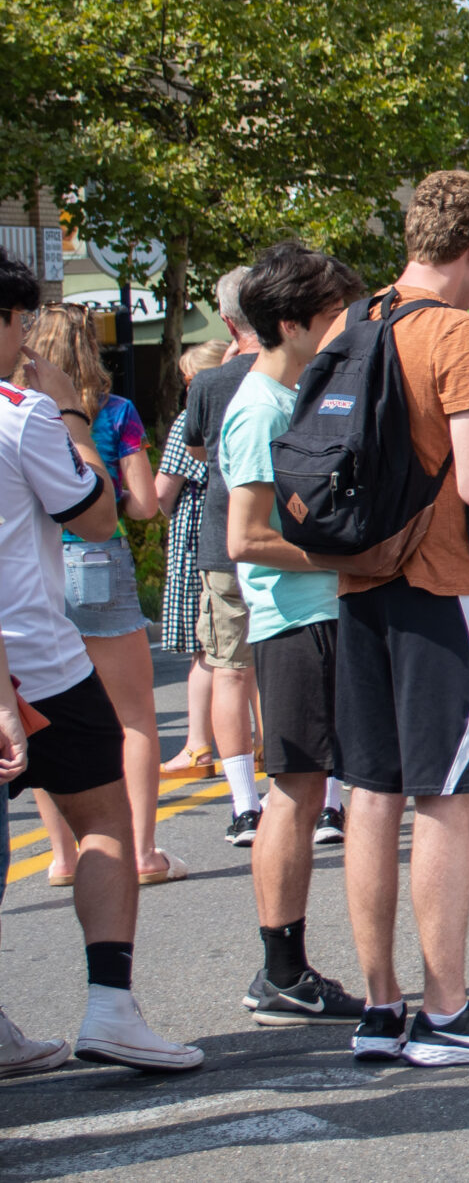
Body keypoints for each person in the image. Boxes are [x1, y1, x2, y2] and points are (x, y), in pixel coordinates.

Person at [329, 170, 469, 1067]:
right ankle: (448, 1014)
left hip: (360, 581)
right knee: (447, 797)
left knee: (371, 793)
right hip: (443, 585)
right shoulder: (453, 332)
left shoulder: (360, 318)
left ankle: (382, 1005)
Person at [0, 253, 202, 1075]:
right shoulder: (24, 414)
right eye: (15, 325)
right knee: (106, 823)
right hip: (39, 662)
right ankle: (110, 1006)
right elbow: (91, 518)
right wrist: (69, 420)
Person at [223, 242, 371, 1026]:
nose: (343, 327)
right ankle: (281, 969)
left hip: (321, 612)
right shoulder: (260, 407)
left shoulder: (296, 394)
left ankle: (289, 966)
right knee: (296, 792)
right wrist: (348, 552)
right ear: (290, 323)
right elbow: (246, 535)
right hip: (297, 620)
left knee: (310, 788)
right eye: (331, 315)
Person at [25, 305, 177, 887]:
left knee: (44, 713)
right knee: (135, 717)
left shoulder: (21, 415)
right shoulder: (115, 415)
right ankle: (142, 851)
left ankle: (62, 857)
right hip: (97, 560)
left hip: (36, 566)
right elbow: (140, 504)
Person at [182, 267, 265, 843]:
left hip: (223, 540)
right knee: (300, 667)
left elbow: (193, 445)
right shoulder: (309, 374)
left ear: (230, 321)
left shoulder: (210, 384)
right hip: (292, 541)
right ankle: (325, 801)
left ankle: (245, 804)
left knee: (231, 672)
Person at [154, 340, 231, 776]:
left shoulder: (192, 417)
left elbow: (164, 493)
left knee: (205, 647)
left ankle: (198, 743)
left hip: (197, 534)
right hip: (234, 525)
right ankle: (257, 742)